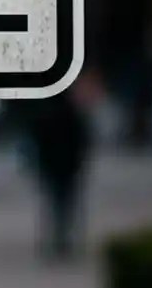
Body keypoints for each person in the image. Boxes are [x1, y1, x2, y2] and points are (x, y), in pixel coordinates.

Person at [15, 73, 98, 259]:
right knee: (63, 197)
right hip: (60, 149)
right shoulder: (66, 106)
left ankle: (61, 235)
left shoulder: (49, 104)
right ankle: (62, 235)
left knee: (59, 196)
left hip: (57, 148)